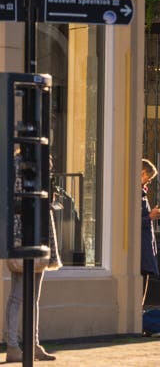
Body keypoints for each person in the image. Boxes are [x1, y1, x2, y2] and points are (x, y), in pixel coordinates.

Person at [5, 152, 62, 361]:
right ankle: (12, 345)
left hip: (39, 233)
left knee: (33, 298)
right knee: (18, 295)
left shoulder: (41, 163)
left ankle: (33, 344)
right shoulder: (17, 165)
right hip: (25, 233)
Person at [141, 159, 160, 305]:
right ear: (142, 173)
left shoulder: (141, 194)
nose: (148, 183)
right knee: (141, 285)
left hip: (145, 247)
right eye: (148, 180)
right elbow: (132, 221)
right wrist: (150, 216)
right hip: (141, 249)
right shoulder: (137, 194)